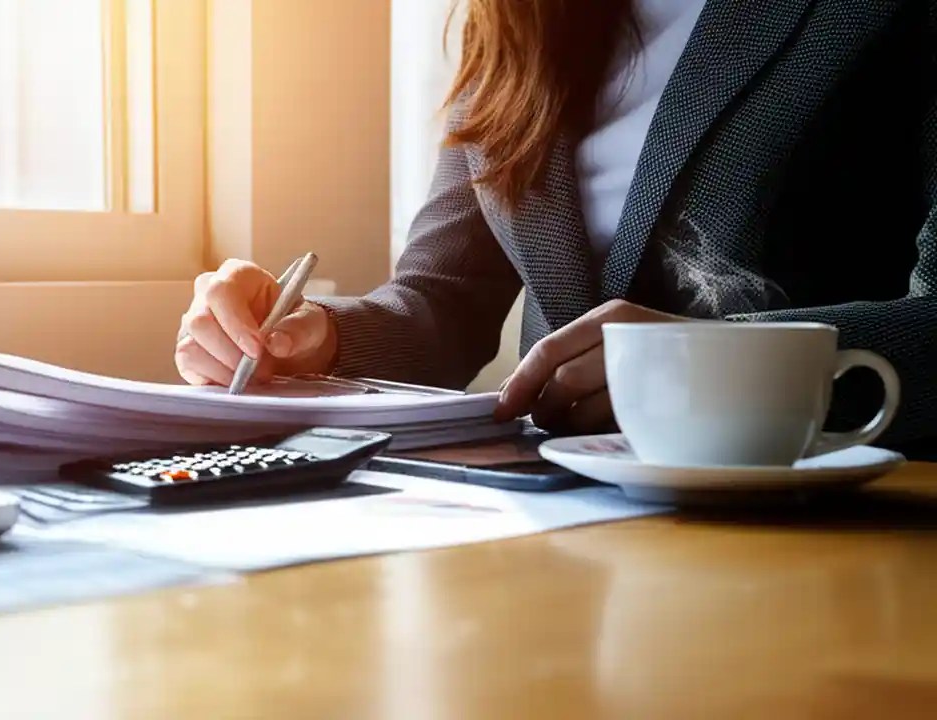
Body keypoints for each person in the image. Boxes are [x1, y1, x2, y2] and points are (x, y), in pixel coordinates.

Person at [175, 0, 936, 448]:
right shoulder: (517, 19)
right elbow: (443, 302)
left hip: (822, 519)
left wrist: (712, 367)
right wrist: (312, 335)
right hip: (556, 525)